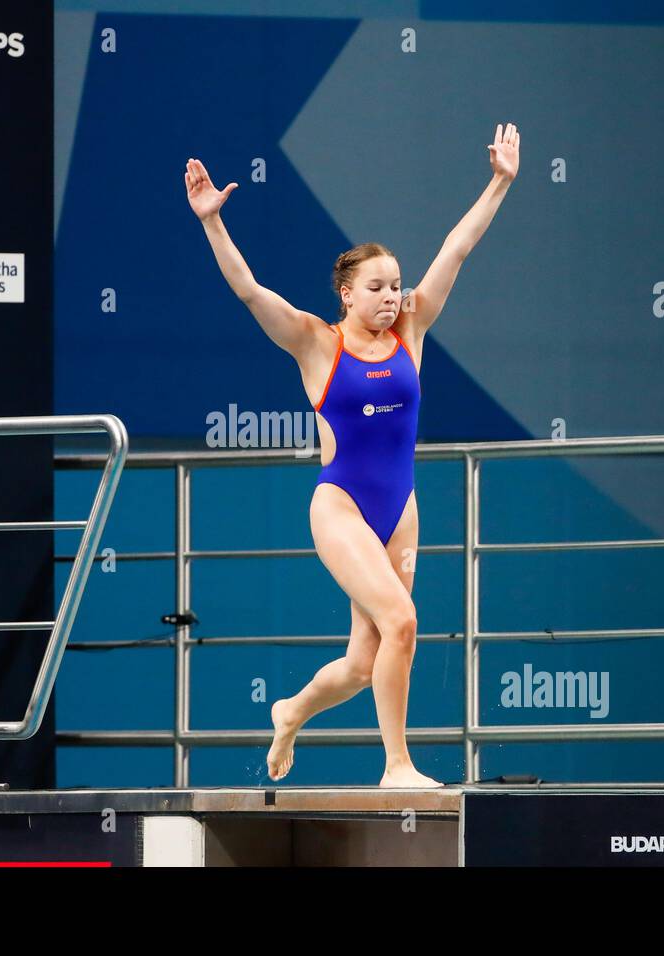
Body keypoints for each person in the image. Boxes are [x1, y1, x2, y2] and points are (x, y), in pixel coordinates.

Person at [185, 123, 520, 787]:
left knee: (367, 660)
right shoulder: (316, 343)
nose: (391, 296)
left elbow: (459, 247)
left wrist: (500, 181)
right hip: (341, 506)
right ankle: (397, 764)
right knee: (403, 621)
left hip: (402, 508)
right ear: (346, 293)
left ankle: (290, 711)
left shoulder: (413, 326)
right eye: (377, 288)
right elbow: (250, 290)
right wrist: (212, 223)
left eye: (395, 285)